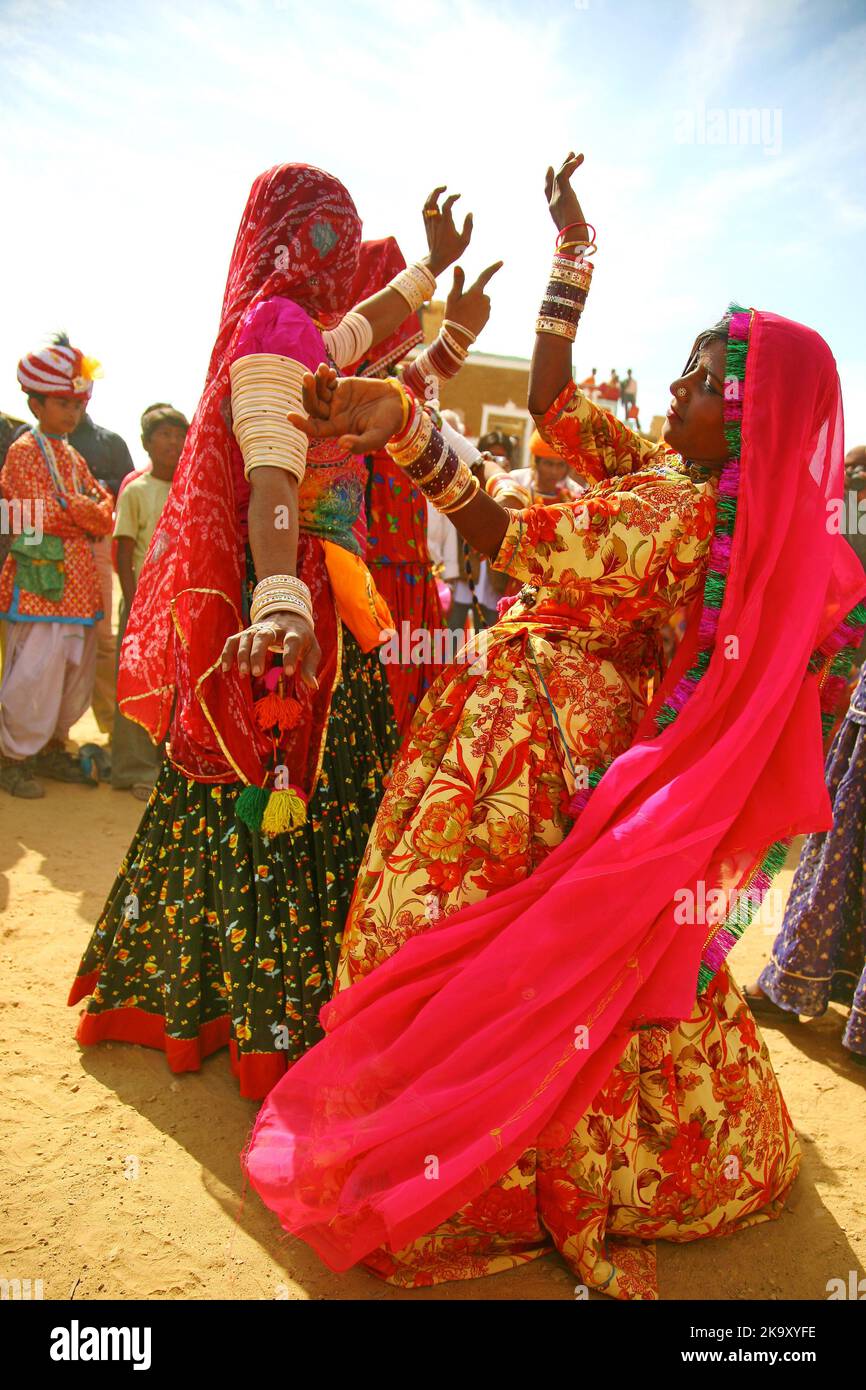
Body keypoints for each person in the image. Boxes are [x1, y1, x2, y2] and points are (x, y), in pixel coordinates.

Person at [244, 152, 865, 1298]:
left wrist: (405, 427)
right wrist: (571, 253)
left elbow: (523, 541)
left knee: (482, 949)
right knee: (473, 949)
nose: (671, 397)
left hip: (547, 753)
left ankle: (461, 1146)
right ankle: (418, 1111)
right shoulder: (673, 474)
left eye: (694, 383)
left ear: (744, 418)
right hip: (509, 720)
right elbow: (551, 403)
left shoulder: (684, 512)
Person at [68, 164, 474, 1098]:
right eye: (339, 235)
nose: (344, 253)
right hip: (296, 606)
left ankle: (219, 999)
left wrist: (425, 272)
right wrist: (284, 603)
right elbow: (273, 486)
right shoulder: (273, 332)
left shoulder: (294, 326)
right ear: (309, 243)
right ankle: (280, 1016)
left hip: (325, 596)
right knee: (288, 790)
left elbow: (358, 332)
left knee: (266, 799)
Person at [345, 239, 497, 737]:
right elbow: (411, 382)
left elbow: (478, 463)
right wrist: (456, 333)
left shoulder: (409, 406)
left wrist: (458, 332)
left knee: (410, 713)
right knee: (368, 717)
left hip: (410, 581)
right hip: (358, 581)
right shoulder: (334, 397)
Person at [0, 340, 114, 798]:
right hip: (38, 587)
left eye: (76, 404)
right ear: (36, 403)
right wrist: (82, 511)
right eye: (62, 403)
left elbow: (106, 514)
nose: (71, 412)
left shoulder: (72, 456)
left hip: (80, 586)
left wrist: (76, 510)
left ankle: (50, 749)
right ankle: (12, 759)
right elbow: (30, 518)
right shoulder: (23, 452)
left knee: (72, 676)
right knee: (33, 675)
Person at [111, 403, 189, 798]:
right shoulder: (136, 490)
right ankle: (132, 768)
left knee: (173, 684)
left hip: (178, 605)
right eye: (164, 435)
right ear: (146, 444)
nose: (173, 442)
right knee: (136, 682)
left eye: (179, 434)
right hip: (143, 605)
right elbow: (123, 550)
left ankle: (164, 764)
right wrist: (133, 604)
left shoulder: (190, 490)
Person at [67, 383, 135, 738]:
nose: (70, 408)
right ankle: (39, 741)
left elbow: (125, 492)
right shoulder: (27, 443)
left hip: (95, 546)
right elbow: (18, 506)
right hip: (41, 552)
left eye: (75, 400)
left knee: (103, 641)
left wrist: (87, 492)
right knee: (41, 640)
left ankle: (111, 731)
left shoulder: (110, 443)